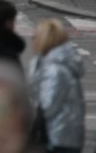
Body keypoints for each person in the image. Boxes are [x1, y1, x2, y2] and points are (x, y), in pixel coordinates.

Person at [27, 19, 85, 153]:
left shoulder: (54, 69)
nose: (33, 41)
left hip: (58, 137)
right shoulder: (51, 62)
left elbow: (47, 105)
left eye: (35, 37)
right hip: (62, 136)